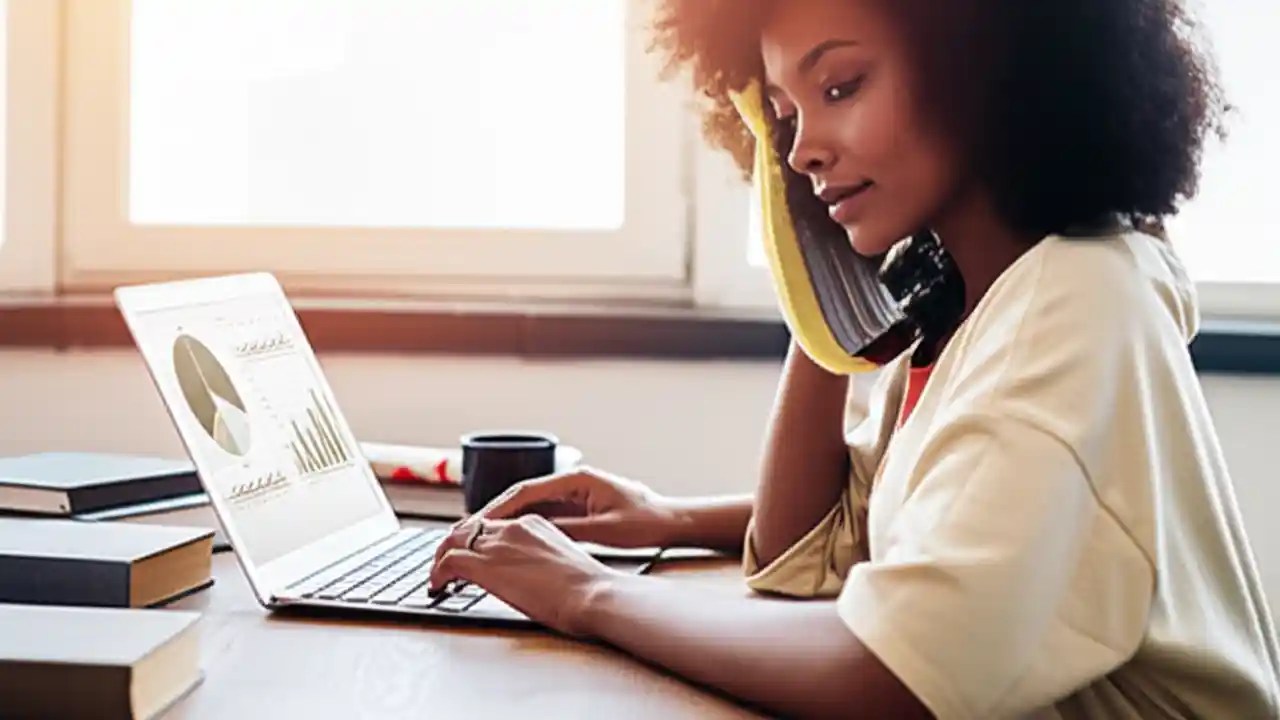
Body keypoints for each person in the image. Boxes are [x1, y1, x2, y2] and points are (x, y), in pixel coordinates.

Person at [428, 0, 1280, 717]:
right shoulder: (974, 299)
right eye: (784, 116)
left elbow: (893, 671)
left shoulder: (1075, 302)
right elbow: (814, 548)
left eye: (840, 86)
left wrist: (591, 595)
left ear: (983, 59)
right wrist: (675, 515)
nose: (798, 151)